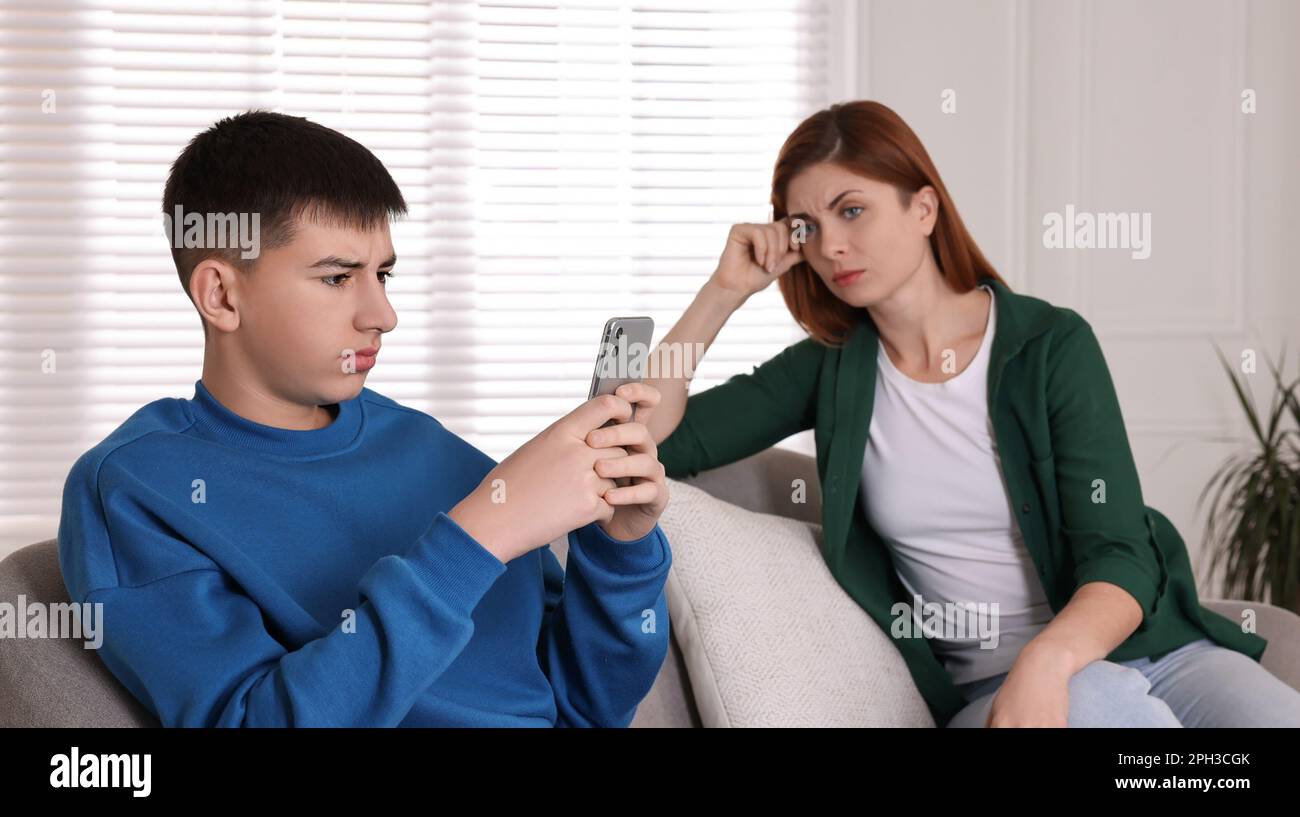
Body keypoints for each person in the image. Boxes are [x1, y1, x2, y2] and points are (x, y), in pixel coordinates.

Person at [645, 100, 1300, 728]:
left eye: (853, 211)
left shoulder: (1049, 345)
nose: (833, 247)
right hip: (996, 688)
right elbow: (651, 440)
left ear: (923, 207)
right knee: (1110, 712)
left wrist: (1050, 656)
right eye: (809, 228)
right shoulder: (827, 369)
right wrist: (721, 293)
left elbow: (1122, 555)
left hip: (1161, 651)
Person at [58, 111, 672, 727]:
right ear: (220, 295)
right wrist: (479, 536)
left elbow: (587, 709)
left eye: (382, 274)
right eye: (336, 277)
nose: (382, 313)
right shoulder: (137, 487)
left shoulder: (433, 451)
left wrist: (620, 550)